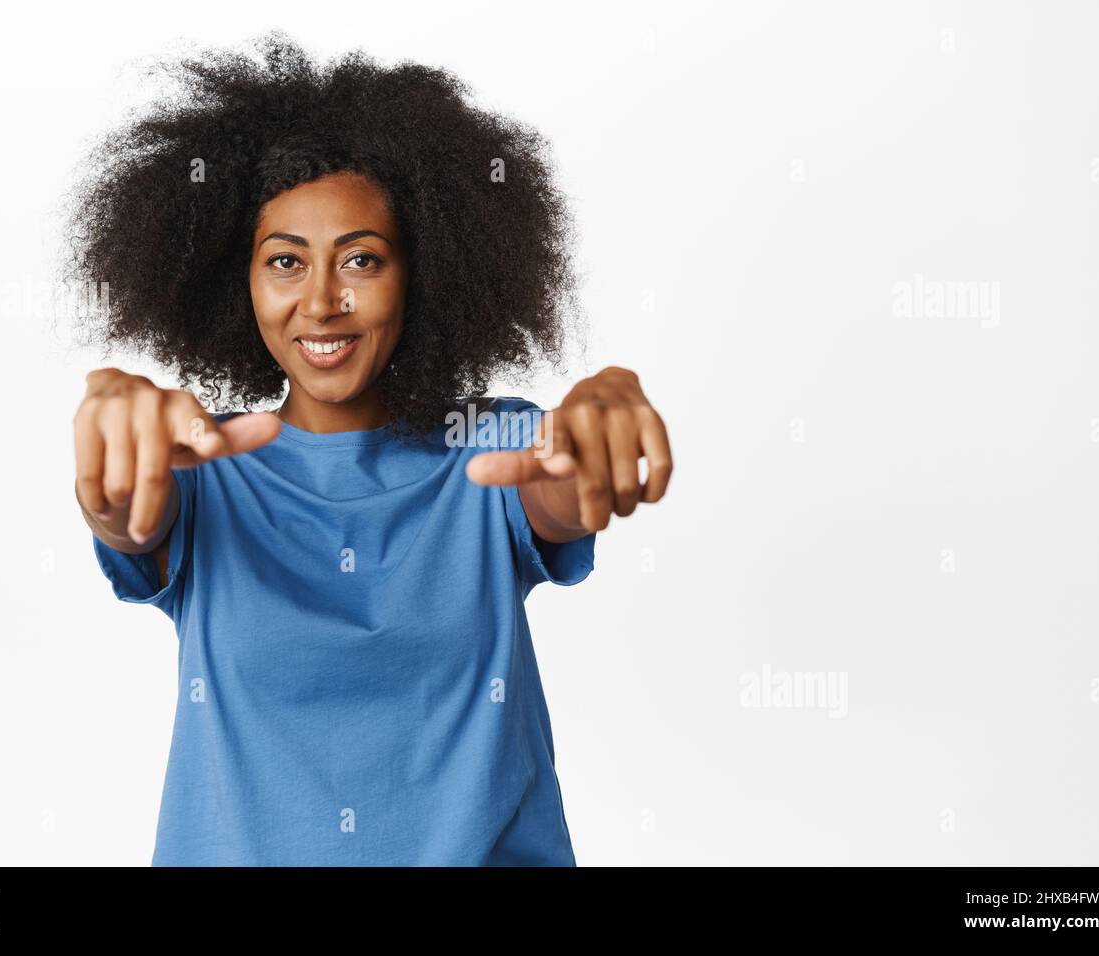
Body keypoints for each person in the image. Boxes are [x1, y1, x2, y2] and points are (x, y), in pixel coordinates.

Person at [66, 32, 673, 865]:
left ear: (419, 275)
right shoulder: (199, 468)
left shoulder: (490, 452)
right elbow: (129, 518)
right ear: (236, 284)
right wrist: (111, 468)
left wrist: (593, 430)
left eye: (361, 260)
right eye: (285, 262)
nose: (322, 300)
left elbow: (558, 483)